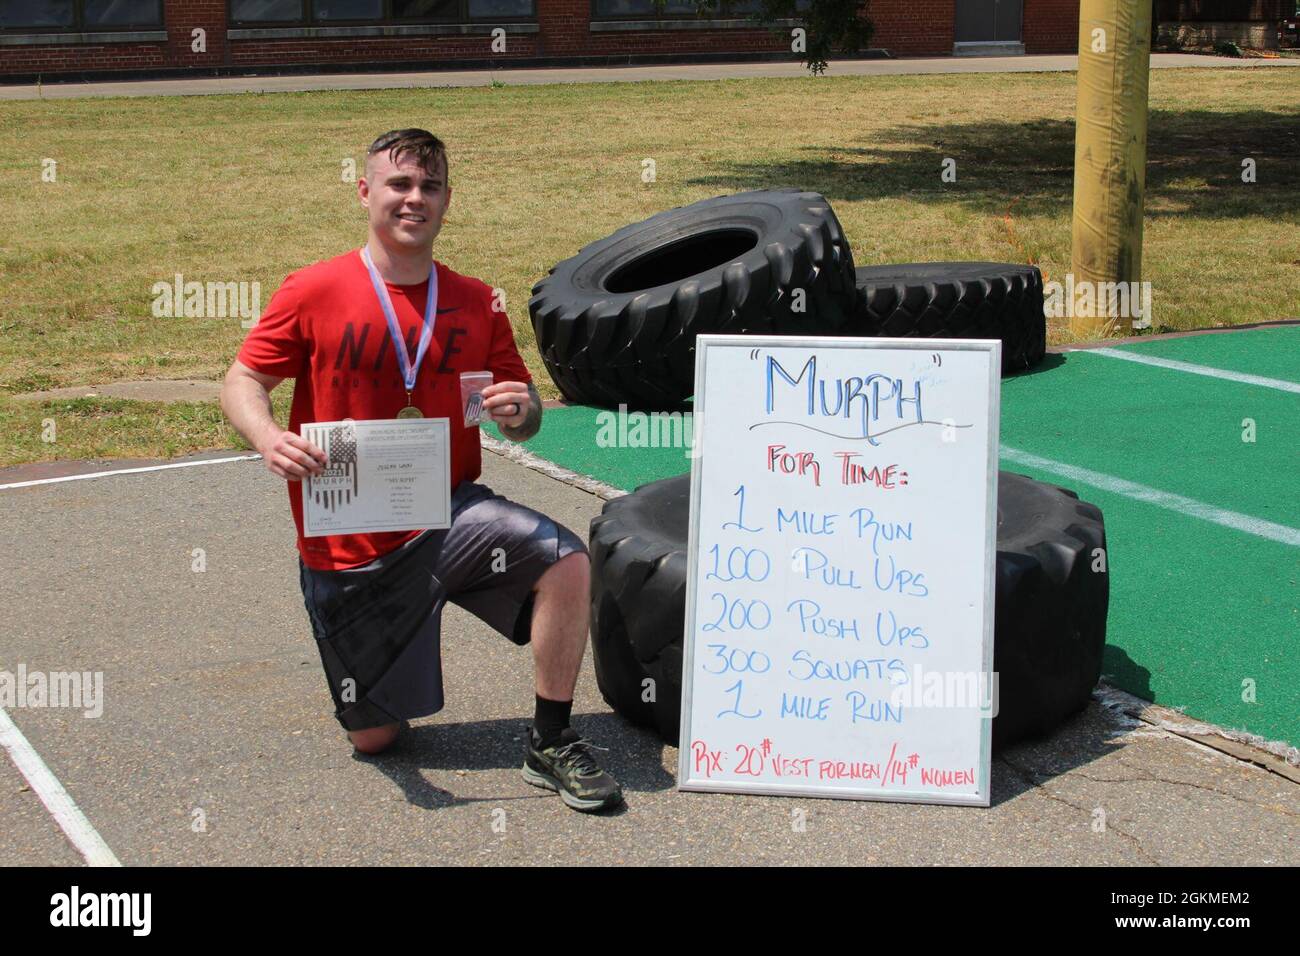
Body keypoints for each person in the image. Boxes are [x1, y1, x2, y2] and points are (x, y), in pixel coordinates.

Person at [219, 128, 622, 813]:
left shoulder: (475, 299)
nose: (414, 199)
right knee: (376, 737)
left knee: (566, 561)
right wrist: (266, 436)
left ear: (447, 199)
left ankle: (551, 738)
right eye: (399, 184)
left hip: (450, 515)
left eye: (429, 187)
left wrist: (520, 409)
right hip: (347, 542)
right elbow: (242, 378)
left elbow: (520, 418)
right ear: (365, 191)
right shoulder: (313, 289)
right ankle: (384, 685)